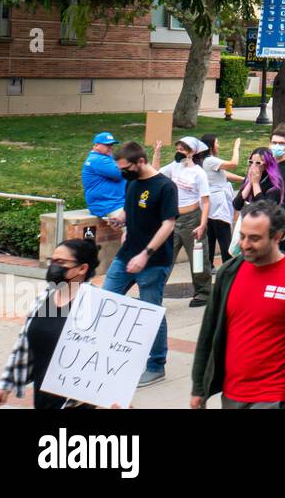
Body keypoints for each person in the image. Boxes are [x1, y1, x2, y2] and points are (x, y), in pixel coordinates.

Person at [191, 201, 285, 409]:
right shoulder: (228, 273)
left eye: (254, 238)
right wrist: (199, 388)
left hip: (275, 396)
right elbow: (208, 331)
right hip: (231, 394)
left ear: (277, 236)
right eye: (242, 236)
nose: (245, 244)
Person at [0, 238, 102, 409]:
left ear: (82, 268)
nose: (54, 267)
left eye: (61, 262)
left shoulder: (96, 305)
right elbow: (24, 343)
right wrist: (7, 384)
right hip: (43, 397)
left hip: (77, 402)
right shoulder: (45, 298)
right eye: (52, 261)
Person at [104, 142, 177, 387]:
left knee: (151, 311)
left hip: (154, 261)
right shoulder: (132, 182)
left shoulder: (165, 187)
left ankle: (156, 365)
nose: (123, 173)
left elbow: (168, 224)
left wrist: (146, 254)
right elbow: (129, 209)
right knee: (105, 302)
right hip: (126, 255)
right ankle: (103, 355)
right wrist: (120, 220)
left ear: (140, 162)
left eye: (126, 168)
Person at [157, 137, 213, 306]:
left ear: (192, 152)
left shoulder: (199, 173)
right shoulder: (174, 167)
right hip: (173, 218)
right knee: (164, 257)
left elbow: (206, 201)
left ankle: (203, 293)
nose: (179, 151)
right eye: (178, 148)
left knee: (198, 258)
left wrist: (202, 224)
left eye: (183, 149)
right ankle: (155, 292)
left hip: (192, 219)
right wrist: (157, 153)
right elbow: (155, 172)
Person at [199, 134, 241, 272]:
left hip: (211, 206)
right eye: (217, 142)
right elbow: (233, 164)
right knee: (224, 238)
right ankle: (229, 269)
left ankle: (208, 266)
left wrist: (244, 179)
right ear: (210, 146)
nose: (218, 145)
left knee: (211, 237)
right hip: (217, 206)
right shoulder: (211, 161)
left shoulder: (205, 161)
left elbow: (225, 175)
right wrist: (236, 147)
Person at [81, 132, 125, 223]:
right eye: (107, 145)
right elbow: (121, 173)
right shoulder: (97, 160)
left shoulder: (106, 157)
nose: (111, 147)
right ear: (96, 145)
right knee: (133, 227)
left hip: (116, 203)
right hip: (107, 205)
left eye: (112, 145)